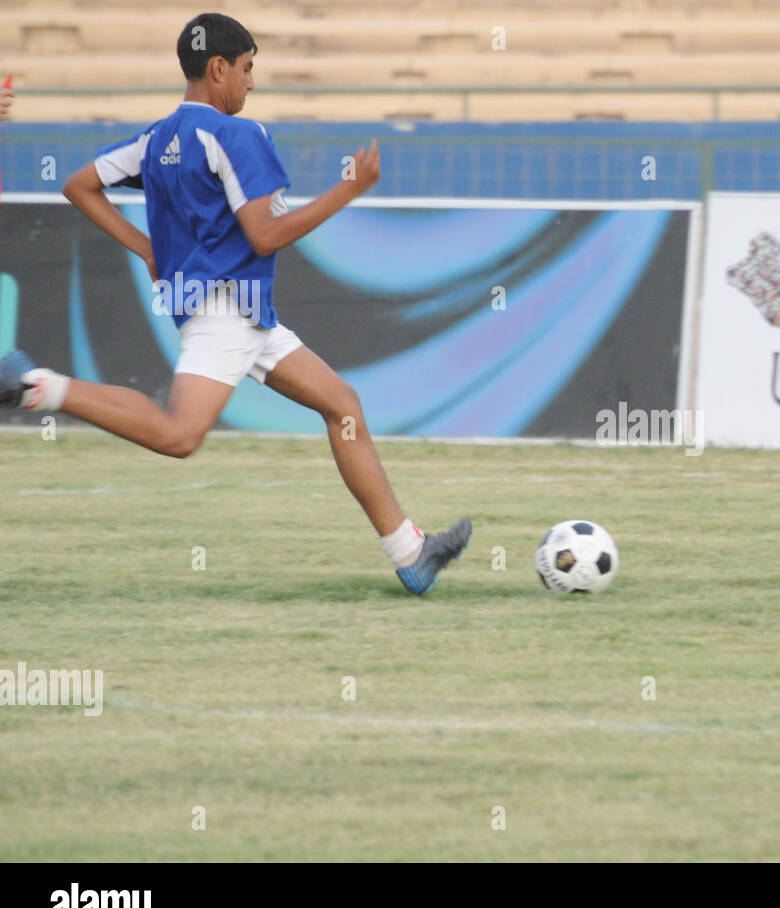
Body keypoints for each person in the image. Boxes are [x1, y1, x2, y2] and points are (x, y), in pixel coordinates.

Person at [0, 13, 470, 595]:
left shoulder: (157, 138)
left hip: (238, 312)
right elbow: (265, 236)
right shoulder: (240, 135)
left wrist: (146, 248)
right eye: (247, 69)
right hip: (227, 310)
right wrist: (348, 190)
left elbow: (77, 185)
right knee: (179, 435)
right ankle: (36, 387)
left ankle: (411, 554)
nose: (251, 83)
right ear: (218, 67)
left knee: (342, 406)